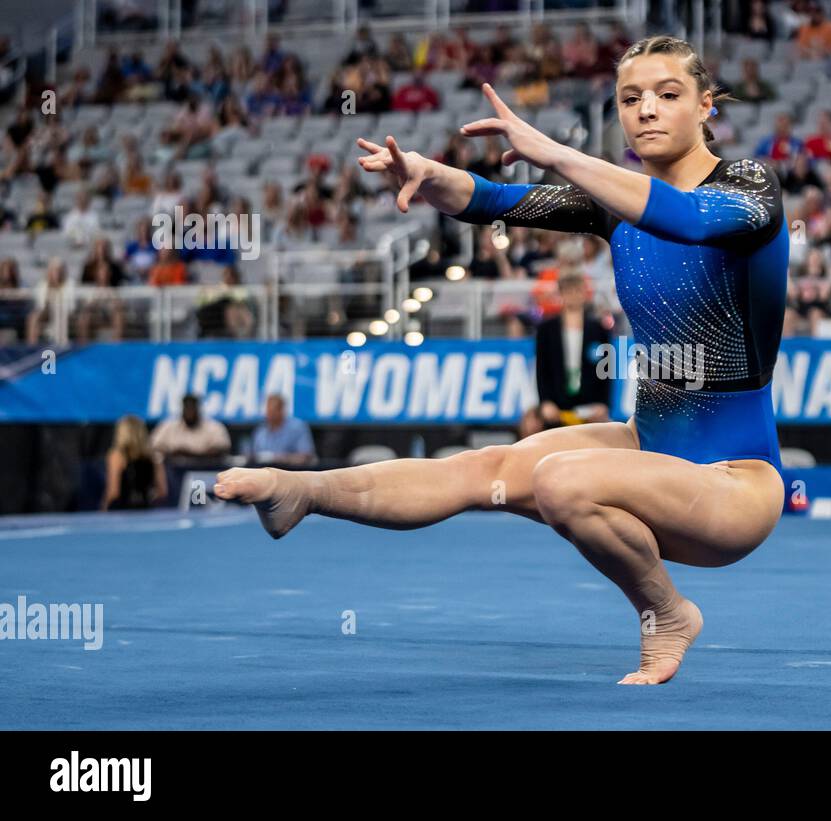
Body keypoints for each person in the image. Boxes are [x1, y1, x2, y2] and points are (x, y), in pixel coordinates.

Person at [214, 35, 789, 686]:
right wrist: (434, 180)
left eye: (667, 94)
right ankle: (305, 492)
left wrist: (555, 152)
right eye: (630, 98)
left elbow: (690, 220)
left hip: (734, 482)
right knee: (482, 469)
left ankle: (666, 612)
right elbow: (496, 200)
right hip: (648, 450)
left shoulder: (749, 186)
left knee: (561, 479)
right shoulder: (613, 204)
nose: (646, 110)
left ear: (705, 105)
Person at [522, 271, 613, 438]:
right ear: (561, 293)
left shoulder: (599, 329)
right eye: (568, 291)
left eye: (577, 290)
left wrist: (603, 403)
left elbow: (606, 369)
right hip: (557, 402)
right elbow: (542, 369)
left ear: (585, 294)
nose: (573, 295)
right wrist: (545, 402)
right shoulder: (546, 329)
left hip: (589, 402)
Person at [101, 414, 167, 510]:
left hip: (121, 513)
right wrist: (146, 501)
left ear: (121, 433)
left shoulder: (117, 456)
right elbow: (162, 492)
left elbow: (113, 492)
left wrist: (103, 509)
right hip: (145, 511)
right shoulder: (153, 457)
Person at [151, 393, 232, 459]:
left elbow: (222, 448)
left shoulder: (214, 427)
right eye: (187, 409)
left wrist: (192, 455)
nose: (189, 413)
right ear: (182, 409)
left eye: (192, 409)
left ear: (198, 409)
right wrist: (172, 454)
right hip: (173, 470)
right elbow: (154, 447)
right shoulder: (168, 426)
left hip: (206, 469)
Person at [247, 394, 316, 466]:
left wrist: (279, 458)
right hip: (264, 472)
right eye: (268, 411)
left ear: (282, 410)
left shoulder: (297, 427)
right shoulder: (260, 431)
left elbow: (306, 456)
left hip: (290, 472)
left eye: (273, 411)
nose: (270, 414)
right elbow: (253, 456)